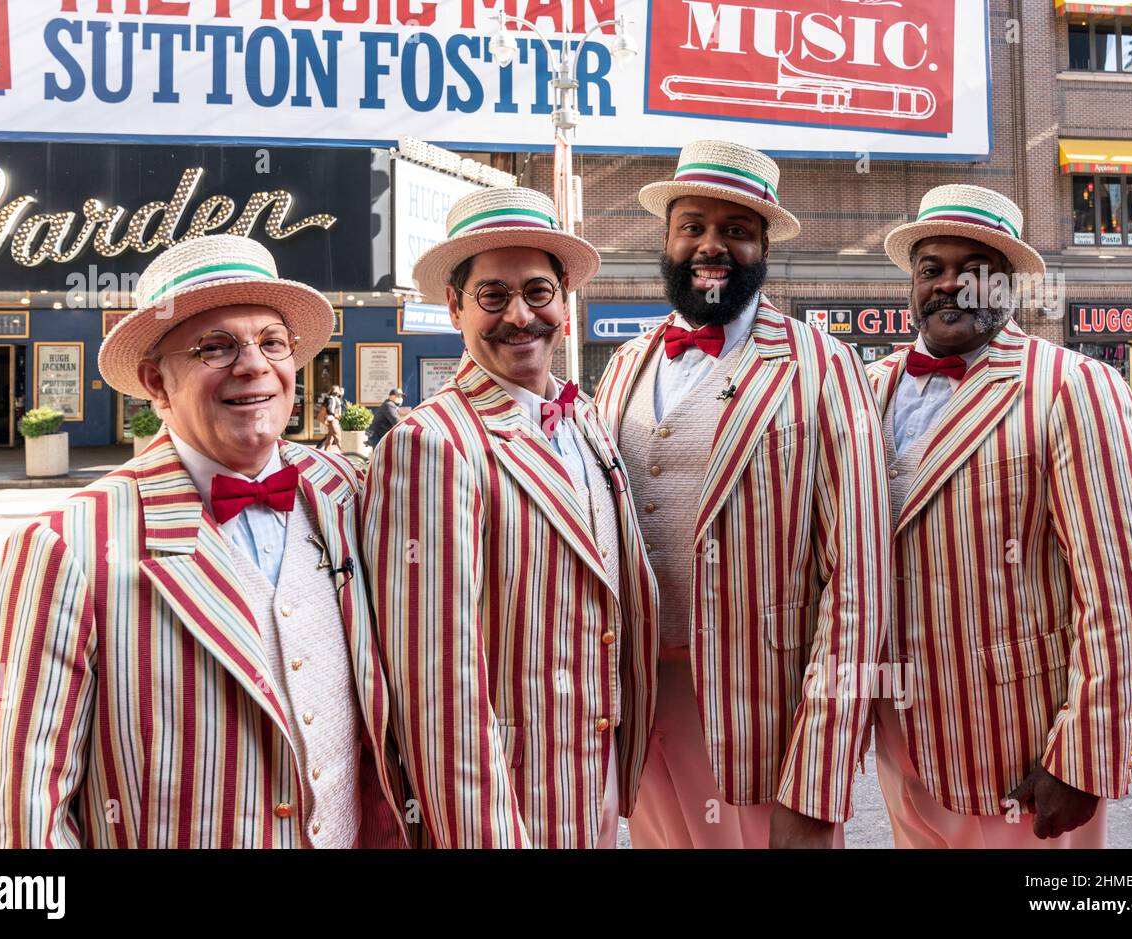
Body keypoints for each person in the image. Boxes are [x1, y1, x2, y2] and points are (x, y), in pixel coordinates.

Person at [0, 235, 406, 848]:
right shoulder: (64, 545)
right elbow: (16, 817)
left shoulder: (347, 492)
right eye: (216, 347)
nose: (254, 365)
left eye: (271, 342)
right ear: (156, 382)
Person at [866, 183, 1132, 847]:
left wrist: (1084, 754)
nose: (949, 284)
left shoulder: (1073, 386)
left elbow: (1119, 593)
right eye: (932, 269)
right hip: (902, 745)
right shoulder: (870, 388)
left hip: (1024, 752)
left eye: (973, 270)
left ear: (1009, 287)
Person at [593, 140, 891, 848]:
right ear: (667, 239)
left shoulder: (823, 364)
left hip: (762, 721)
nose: (710, 244)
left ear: (762, 246)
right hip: (636, 707)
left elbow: (860, 577)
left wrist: (818, 776)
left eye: (735, 229)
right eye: (692, 225)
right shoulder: (626, 363)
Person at [359, 187, 659, 848]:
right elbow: (438, 691)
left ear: (564, 301)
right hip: (511, 803)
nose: (520, 316)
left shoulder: (584, 419)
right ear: (456, 307)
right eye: (493, 296)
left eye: (538, 292)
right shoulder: (430, 445)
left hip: (595, 781)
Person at [319, 384, 344, 451]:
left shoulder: (336, 398)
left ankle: (325, 452)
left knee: (329, 439)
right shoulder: (331, 398)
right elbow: (329, 409)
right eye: (339, 390)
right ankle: (346, 454)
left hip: (333, 420)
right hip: (333, 420)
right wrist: (335, 415)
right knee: (338, 437)